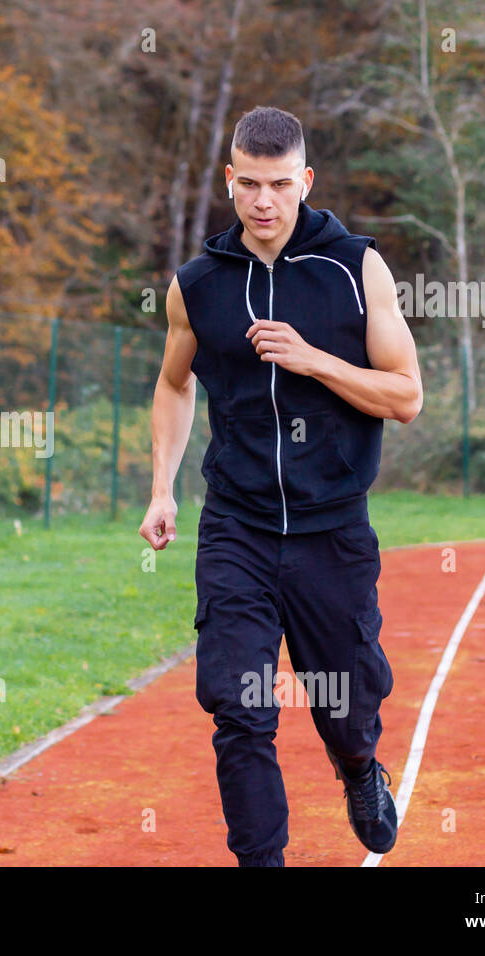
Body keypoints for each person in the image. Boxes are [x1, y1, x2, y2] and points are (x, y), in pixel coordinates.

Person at [139, 105, 423, 867]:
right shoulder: (197, 285)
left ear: (306, 181)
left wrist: (313, 360)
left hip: (332, 528)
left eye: (280, 185)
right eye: (250, 185)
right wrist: (162, 488)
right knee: (239, 706)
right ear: (229, 182)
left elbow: (405, 397)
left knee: (348, 700)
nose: (265, 202)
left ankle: (360, 766)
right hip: (238, 526)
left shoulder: (355, 268)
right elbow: (173, 386)